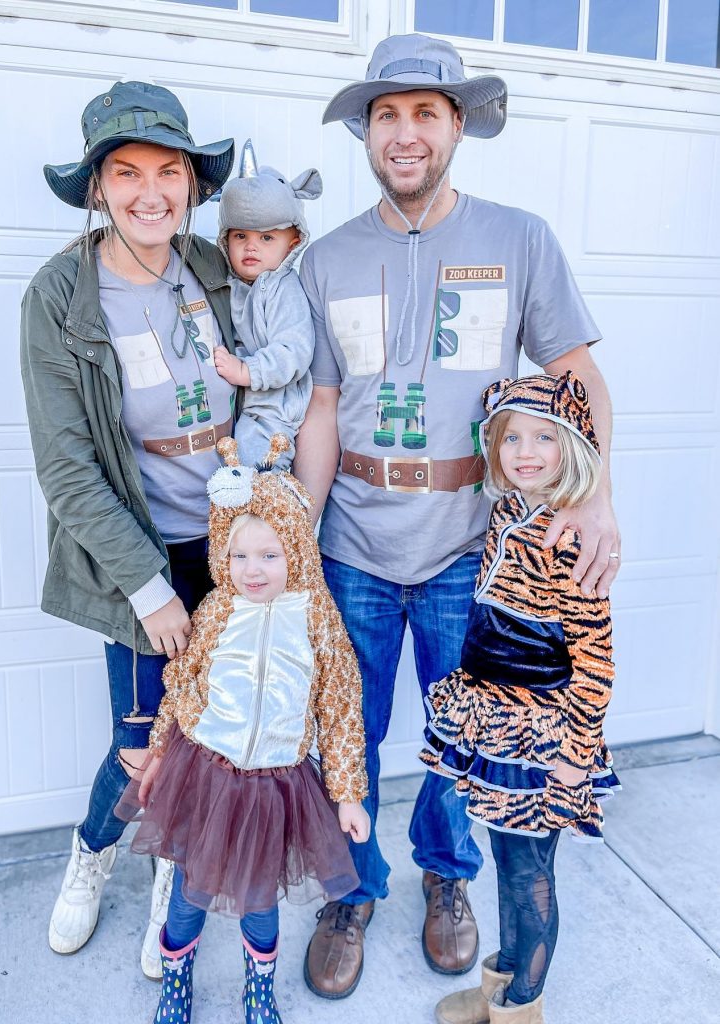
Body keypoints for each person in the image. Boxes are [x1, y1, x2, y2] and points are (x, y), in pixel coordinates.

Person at [293, 33, 621, 997]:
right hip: (353, 542)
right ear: (364, 131)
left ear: (458, 127)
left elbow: (576, 377)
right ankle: (350, 890)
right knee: (342, 733)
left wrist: (594, 498)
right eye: (386, 115)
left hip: (469, 548)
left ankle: (447, 877)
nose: (405, 134)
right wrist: (302, 538)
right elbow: (320, 409)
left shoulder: (518, 239)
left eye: (425, 114)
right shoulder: (325, 259)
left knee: (461, 731)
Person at [20, 80, 237, 977]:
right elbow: (66, 466)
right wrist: (148, 590)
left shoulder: (216, 268)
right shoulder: (59, 296)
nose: (151, 192)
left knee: (211, 733)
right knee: (142, 739)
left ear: (192, 181)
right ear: (97, 188)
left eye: (168, 171)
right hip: (137, 552)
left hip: (230, 547)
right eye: (127, 172)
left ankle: (170, 880)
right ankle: (93, 851)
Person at [117, 433, 370, 1024]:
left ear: (296, 550)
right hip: (205, 773)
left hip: (274, 785)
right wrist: (160, 755)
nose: (252, 570)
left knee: (259, 897)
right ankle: (175, 980)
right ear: (222, 556)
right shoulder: (216, 611)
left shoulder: (317, 620)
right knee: (190, 888)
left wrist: (348, 793)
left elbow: (340, 707)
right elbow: (182, 685)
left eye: (269, 555)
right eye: (239, 557)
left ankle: (259, 989)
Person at [421, 372, 620, 1024]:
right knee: (506, 859)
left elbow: (595, 661)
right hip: (494, 718)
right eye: (511, 438)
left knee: (529, 873)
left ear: (572, 445)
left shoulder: (571, 536)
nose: (525, 451)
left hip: (542, 734)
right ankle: (498, 987)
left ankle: (522, 1007)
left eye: (544, 437)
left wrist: (574, 754)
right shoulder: (509, 510)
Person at [212, 140, 322, 469]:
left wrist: (246, 370)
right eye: (240, 236)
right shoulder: (231, 284)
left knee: (256, 463)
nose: (251, 247)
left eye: (267, 238)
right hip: (238, 402)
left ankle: (268, 495)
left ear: (293, 242)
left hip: (272, 409)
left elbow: (294, 350)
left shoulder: (283, 289)